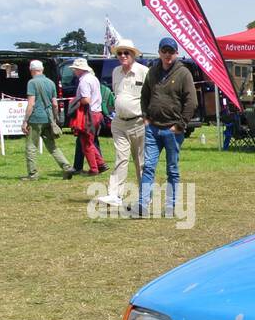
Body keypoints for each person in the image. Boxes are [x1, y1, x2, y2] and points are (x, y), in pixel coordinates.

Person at [137, 37, 197, 219]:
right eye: (164, 51)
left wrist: (180, 125)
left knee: (172, 169)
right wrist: (145, 118)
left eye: (171, 51)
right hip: (152, 128)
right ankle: (142, 204)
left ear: (176, 53)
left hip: (172, 130)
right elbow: (144, 96)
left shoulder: (183, 73)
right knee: (148, 167)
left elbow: (191, 102)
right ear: (159, 52)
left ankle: (171, 206)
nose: (167, 54)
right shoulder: (152, 72)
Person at [99, 39, 146, 210]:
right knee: (120, 158)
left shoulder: (144, 71)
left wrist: (148, 118)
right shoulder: (115, 71)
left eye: (126, 53)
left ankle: (144, 197)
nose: (123, 56)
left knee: (141, 162)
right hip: (119, 122)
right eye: (119, 53)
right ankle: (114, 194)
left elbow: (150, 96)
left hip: (139, 121)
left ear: (133, 54)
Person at [21, 59, 74, 180]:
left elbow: (31, 104)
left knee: (31, 146)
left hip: (35, 119)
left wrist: (25, 121)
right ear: (42, 69)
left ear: (31, 70)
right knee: (52, 146)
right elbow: (55, 104)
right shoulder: (50, 83)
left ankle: (32, 174)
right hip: (48, 118)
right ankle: (66, 167)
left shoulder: (32, 83)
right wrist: (55, 119)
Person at [68, 58, 106, 175]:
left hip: (89, 114)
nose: (74, 71)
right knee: (90, 141)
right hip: (97, 112)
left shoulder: (84, 81)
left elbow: (86, 100)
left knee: (86, 143)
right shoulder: (93, 78)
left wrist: (74, 101)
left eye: (75, 69)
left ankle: (94, 169)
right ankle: (100, 164)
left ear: (80, 69)